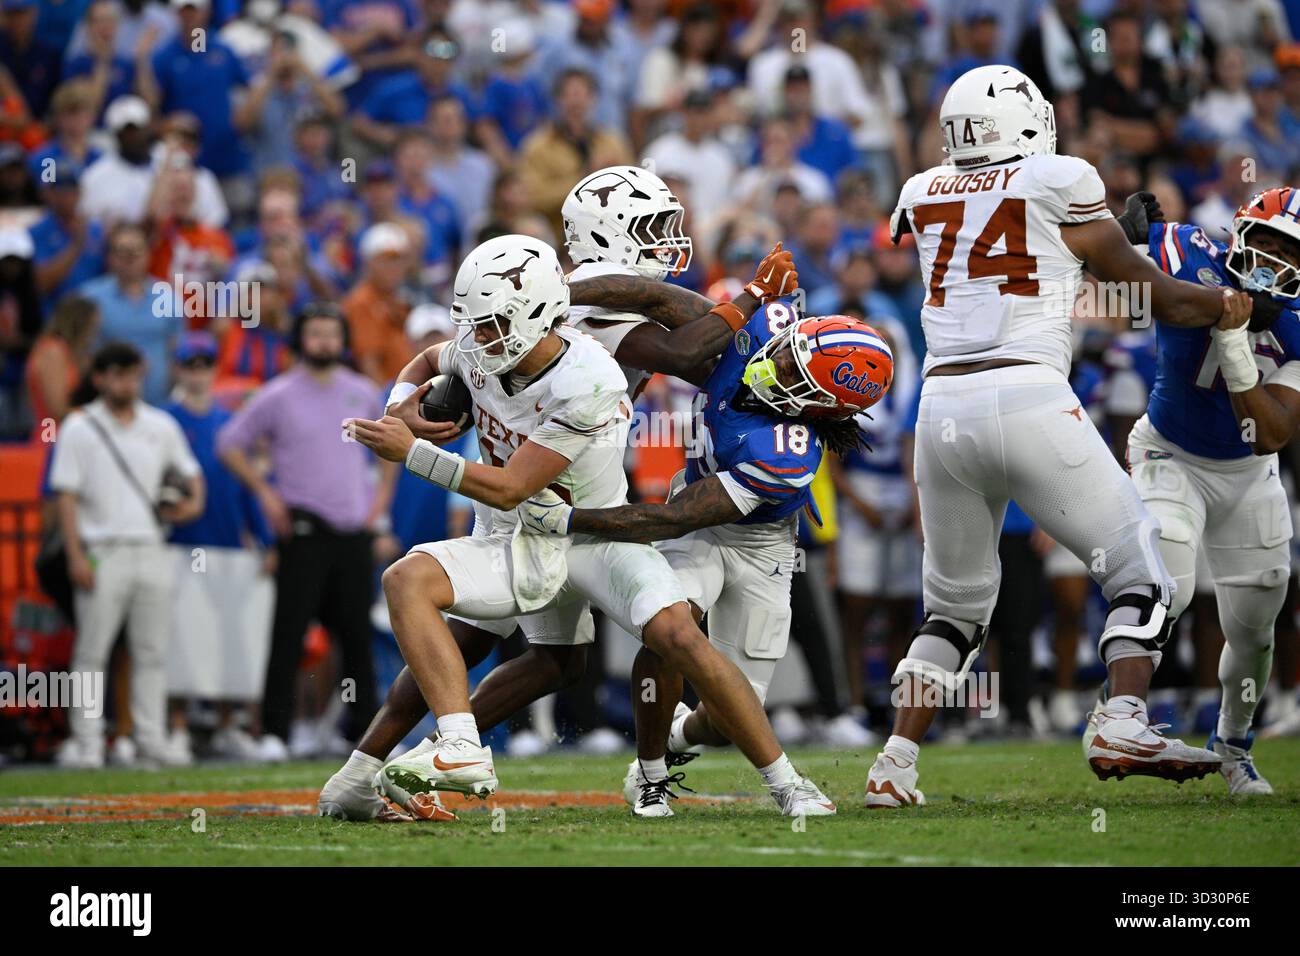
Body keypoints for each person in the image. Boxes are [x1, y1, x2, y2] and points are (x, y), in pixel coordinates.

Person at [866, 65, 1269, 808]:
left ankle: (894, 764)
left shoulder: (920, 190)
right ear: (1024, 122)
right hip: (1025, 392)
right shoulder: (1061, 175)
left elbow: (1016, 243)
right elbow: (1154, 295)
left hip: (942, 408)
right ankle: (1122, 717)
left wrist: (1116, 234)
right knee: (1139, 568)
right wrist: (1229, 303)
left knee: (954, 610)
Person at [343, 234, 834, 819]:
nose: (480, 339)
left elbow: (517, 483)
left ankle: (784, 782)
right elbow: (434, 357)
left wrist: (412, 453)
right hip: (520, 534)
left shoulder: (591, 373)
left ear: (534, 313)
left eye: (493, 326)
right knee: (467, 626)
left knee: (676, 634)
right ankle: (398, 763)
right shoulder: (490, 341)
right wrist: (402, 403)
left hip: (589, 531)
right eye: (477, 326)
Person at [519, 305, 892, 816]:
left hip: (753, 542)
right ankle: (652, 775)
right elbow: (663, 300)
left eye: (790, 370)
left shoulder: (789, 451)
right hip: (695, 519)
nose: (774, 362)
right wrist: (566, 294)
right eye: (786, 351)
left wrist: (567, 520)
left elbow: (672, 520)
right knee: (668, 626)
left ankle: (676, 735)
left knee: (727, 720)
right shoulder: (765, 329)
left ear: (819, 406)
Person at [1101, 185, 1300, 794]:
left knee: (1257, 622)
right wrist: (1118, 229)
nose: (1270, 258)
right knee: (1166, 580)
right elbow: (1097, 260)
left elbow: (1270, 434)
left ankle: (1234, 744)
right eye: (1263, 240)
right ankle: (1120, 717)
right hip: (1170, 450)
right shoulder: (1188, 249)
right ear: (1238, 232)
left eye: (1288, 250)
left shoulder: (1296, 327)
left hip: (1247, 471)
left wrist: (1235, 341)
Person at [217, 303, 390, 761]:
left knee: (356, 639)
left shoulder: (363, 392)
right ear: (299, 339)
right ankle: (275, 732)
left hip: (354, 531)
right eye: (315, 334)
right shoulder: (276, 396)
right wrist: (265, 493)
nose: (325, 343)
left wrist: (379, 508)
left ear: (344, 339)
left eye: (332, 334)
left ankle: (363, 735)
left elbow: (390, 452)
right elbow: (229, 444)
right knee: (288, 634)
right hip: (303, 528)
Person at [49, 341, 205, 768]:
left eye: (133, 374)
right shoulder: (80, 427)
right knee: (92, 651)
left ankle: (150, 739)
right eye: (117, 374)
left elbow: (193, 475)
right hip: (103, 549)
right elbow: (66, 495)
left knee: (152, 650)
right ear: (99, 378)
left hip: (152, 546)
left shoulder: (159, 424)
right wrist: (75, 554)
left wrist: (191, 505)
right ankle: (86, 741)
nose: (126, 383)